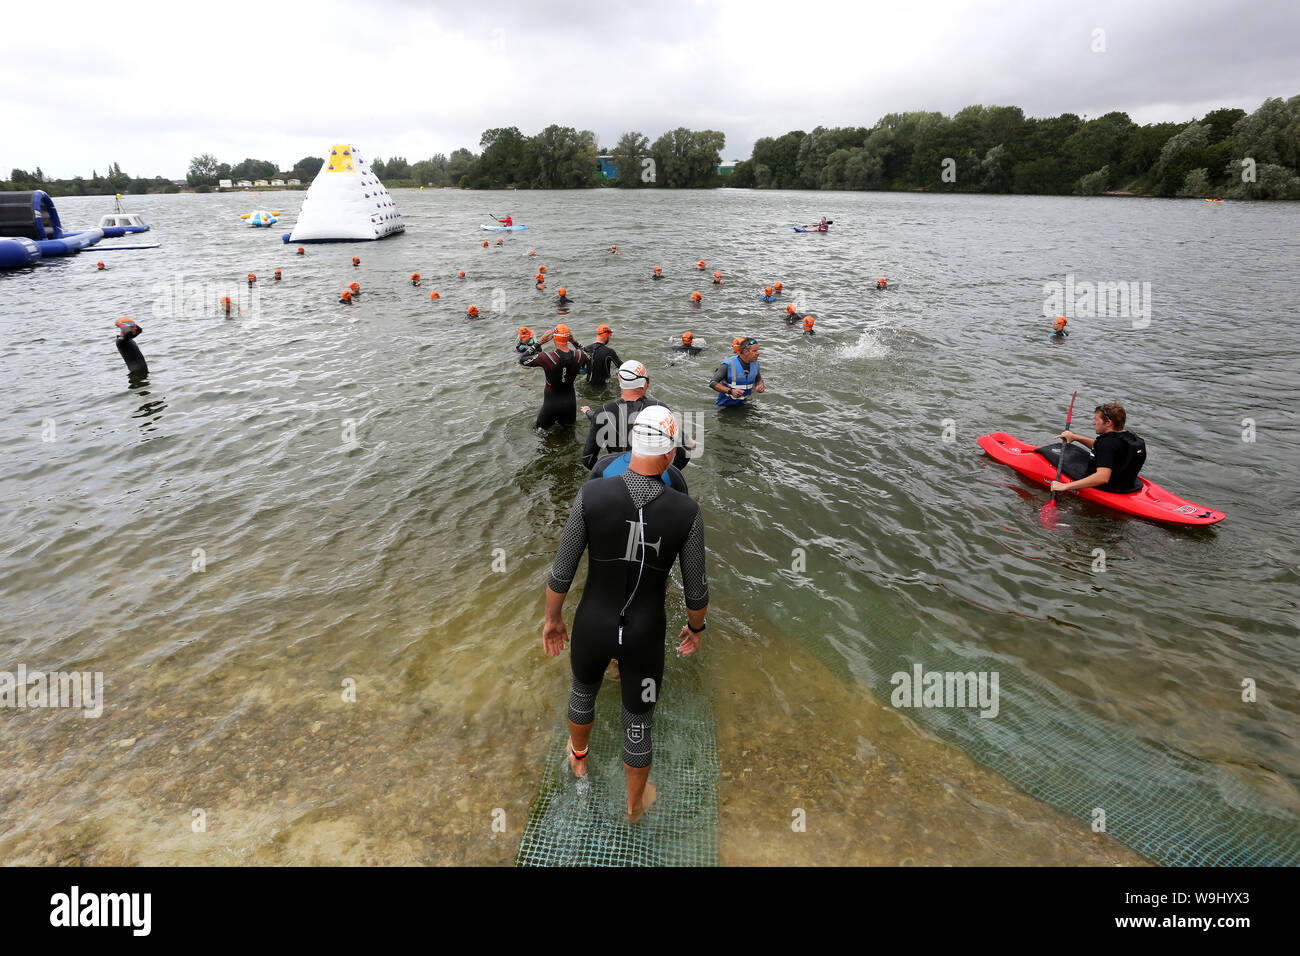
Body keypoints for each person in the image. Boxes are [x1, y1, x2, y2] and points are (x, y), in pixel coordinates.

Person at [543, 406, 709, 823]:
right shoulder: (686, 513)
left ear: (632, 443)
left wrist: (553, 621)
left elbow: (561, 572)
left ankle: (579, 759)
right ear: (670, 455)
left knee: (583, 691)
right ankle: (635, 804)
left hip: (593, 624)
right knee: (640, 718)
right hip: (645, 634)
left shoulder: (591, 494)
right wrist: (696, 628)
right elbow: (696, 590)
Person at [581, 360, 692, 471]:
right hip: (653, 477)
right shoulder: (660, 409)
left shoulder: (603, 412)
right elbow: (685, 449)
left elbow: (587, 459)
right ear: (647, 383)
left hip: (618, 479)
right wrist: (667, 473)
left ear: (619, 379)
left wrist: (610, 474)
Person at [1050, 402, 1147, 494]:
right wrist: (1075, 437)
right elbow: (1108, 451)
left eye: (1096, 420)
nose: (1093, 423)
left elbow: (1102, 478)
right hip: (1127, 485)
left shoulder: (1106, 443)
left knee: (1053, 457)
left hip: (1107, 487)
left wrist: (1065, 486)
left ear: (1108, 422)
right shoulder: (1132, 438)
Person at [519, 323, 589, 431]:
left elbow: (522, 359)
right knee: (569, 434)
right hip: (570, 404)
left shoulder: (547, 357)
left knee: (540, 432)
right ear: (568, 338)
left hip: (551, 405)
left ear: (554, 338)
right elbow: (591, 355)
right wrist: (574, 341)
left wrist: (540, 342)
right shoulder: (579, 355)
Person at [711, 338, 764, 406]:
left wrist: (760, 385)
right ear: (745, 352)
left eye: (758, 350)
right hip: (725, 406)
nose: (758, 353)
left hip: (745, 404)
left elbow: (758, 379)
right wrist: (731, 391)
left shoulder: (755, 364)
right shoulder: (728, 364)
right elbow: (712, 383)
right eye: (754, 351)